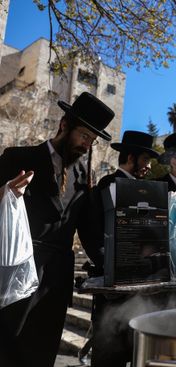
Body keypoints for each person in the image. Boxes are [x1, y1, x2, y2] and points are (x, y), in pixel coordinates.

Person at [0, 92, 115, 367]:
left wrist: (115, 266)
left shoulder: (83, 181)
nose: (87, 146)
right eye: (84, 136)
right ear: (65, 126)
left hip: (56, 283)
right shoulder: (18, 158)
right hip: (15, 274)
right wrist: (4, 192)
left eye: (92, 141)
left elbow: (90, 234)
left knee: (41, 352)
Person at [86, 130, 160, 367]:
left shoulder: (147, 191)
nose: (148, 166)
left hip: (140, 285)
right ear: (130, 158)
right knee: (109, 350)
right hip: (113, 287)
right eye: (145, 160)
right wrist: (108, 263)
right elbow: (92, 231)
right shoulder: (108, 185)